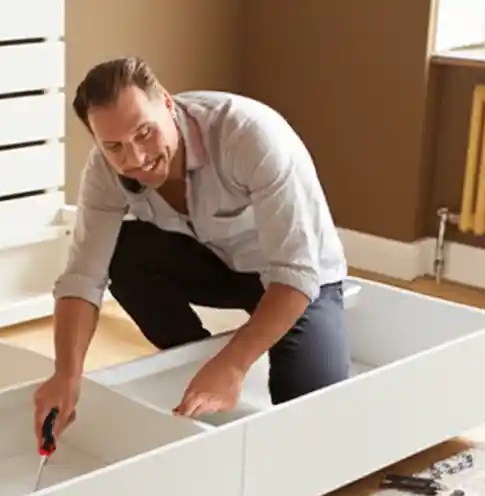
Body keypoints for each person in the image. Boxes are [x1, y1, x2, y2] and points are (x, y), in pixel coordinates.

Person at [33, 56, 351, 442]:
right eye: (114, 146)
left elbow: (296, 273)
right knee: (125, 252)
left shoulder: (249, 135)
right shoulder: (105, 169)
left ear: (168, 103)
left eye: (144, 133)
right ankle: (193, 360)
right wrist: (67, 374)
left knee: (310, 417)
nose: (136, 158)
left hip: (299, 281)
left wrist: (234, 364)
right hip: (216, 264)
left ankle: (226, 368)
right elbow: (83, 277)